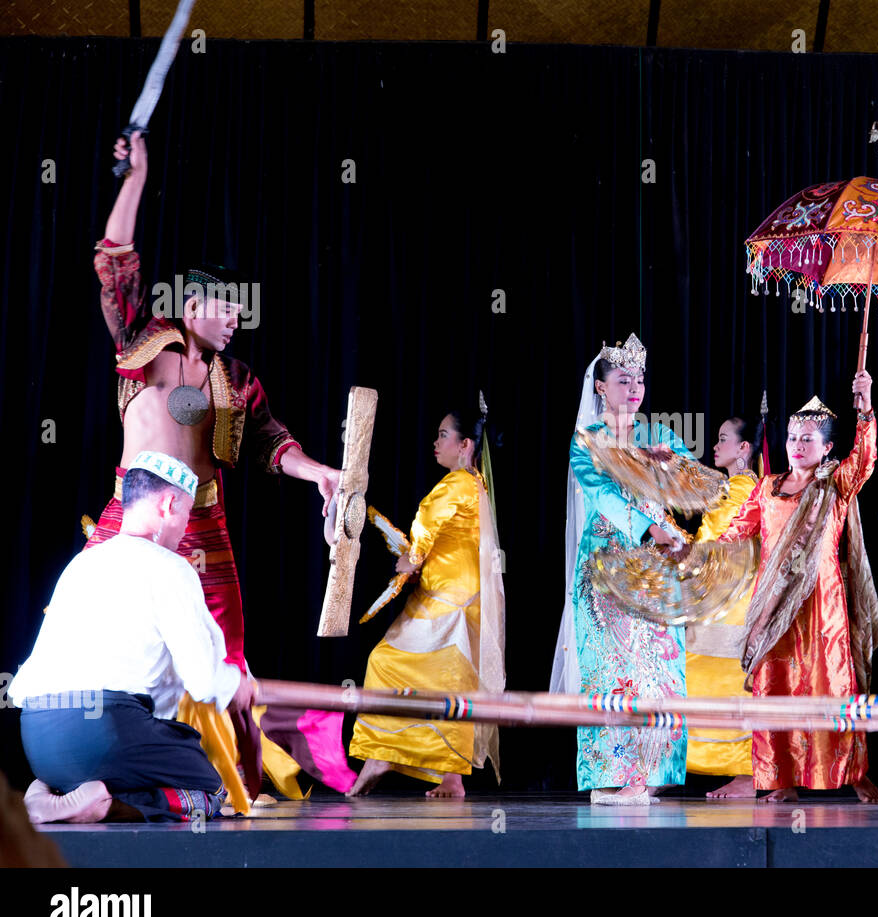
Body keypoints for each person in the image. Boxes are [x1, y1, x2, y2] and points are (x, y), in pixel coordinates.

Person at [88, 132, 347, 809]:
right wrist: (136, 176)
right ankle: (95, 766)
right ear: (194, 303)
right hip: (132, 513)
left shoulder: (237, 380)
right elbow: (114, 263)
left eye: (240, 310)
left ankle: (245, 785)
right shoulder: (146, 342)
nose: (235, 320)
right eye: (226, 307)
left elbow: (269, 442)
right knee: (98, 624)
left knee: (228, 662)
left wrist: (317, 472)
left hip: (203, 524)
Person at [10, 452, 255, 823]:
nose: (186, 527)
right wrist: (236, 685)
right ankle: (97, 801)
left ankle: (45, 791)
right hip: (100, 732)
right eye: (187, 513)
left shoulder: (81, 565)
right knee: (211, 789)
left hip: (37, 737)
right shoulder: (171, 568)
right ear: (169, 503)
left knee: (155, 741)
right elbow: (203, 680)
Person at [717, 375, 878, 802]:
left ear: (827, 448)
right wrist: (694, 555)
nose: (796, 446)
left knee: (831, 686)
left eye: (807, 439)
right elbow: (735, 535)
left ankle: (850, 771)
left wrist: (864, 407)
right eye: (792, 437)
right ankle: (781, 779)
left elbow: (864, 460)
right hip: (774, 605)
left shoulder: (834, 485)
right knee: (774, 686)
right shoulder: (767, 487)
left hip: (821, 602)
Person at [551, 334, 696, 805]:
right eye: (622, 379)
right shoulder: (587, 442)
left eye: (639, 379)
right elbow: (602, 496)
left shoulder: (661, 437)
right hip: (607, 567)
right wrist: (646, 528)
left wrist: (671, 465)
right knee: (609, 667)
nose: (634, 387)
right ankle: (609, 775)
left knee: (659, 666)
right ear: (600, 387)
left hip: (655, 569)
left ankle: (651, 775)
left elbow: (694, 482)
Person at [349, 404, 506, 798]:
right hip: (458, 595)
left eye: (442, 435)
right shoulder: (476, 484)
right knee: (452, 680)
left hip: (449, 599)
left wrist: (410, 559)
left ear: (464, 444)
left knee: (386, 663)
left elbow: (425, 529)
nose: (436, 443)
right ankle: (447, 774)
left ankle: (385, 755)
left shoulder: (456, 484)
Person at [688, 415, 761, 799]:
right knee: (703, 677)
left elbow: (717, 543)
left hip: (731, 599)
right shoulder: (733, 488)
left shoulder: (744, 489)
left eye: (722, 440)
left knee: (727, 681)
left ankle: (747, 774)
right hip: (719, 597)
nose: (714, 447)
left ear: (744, 449)